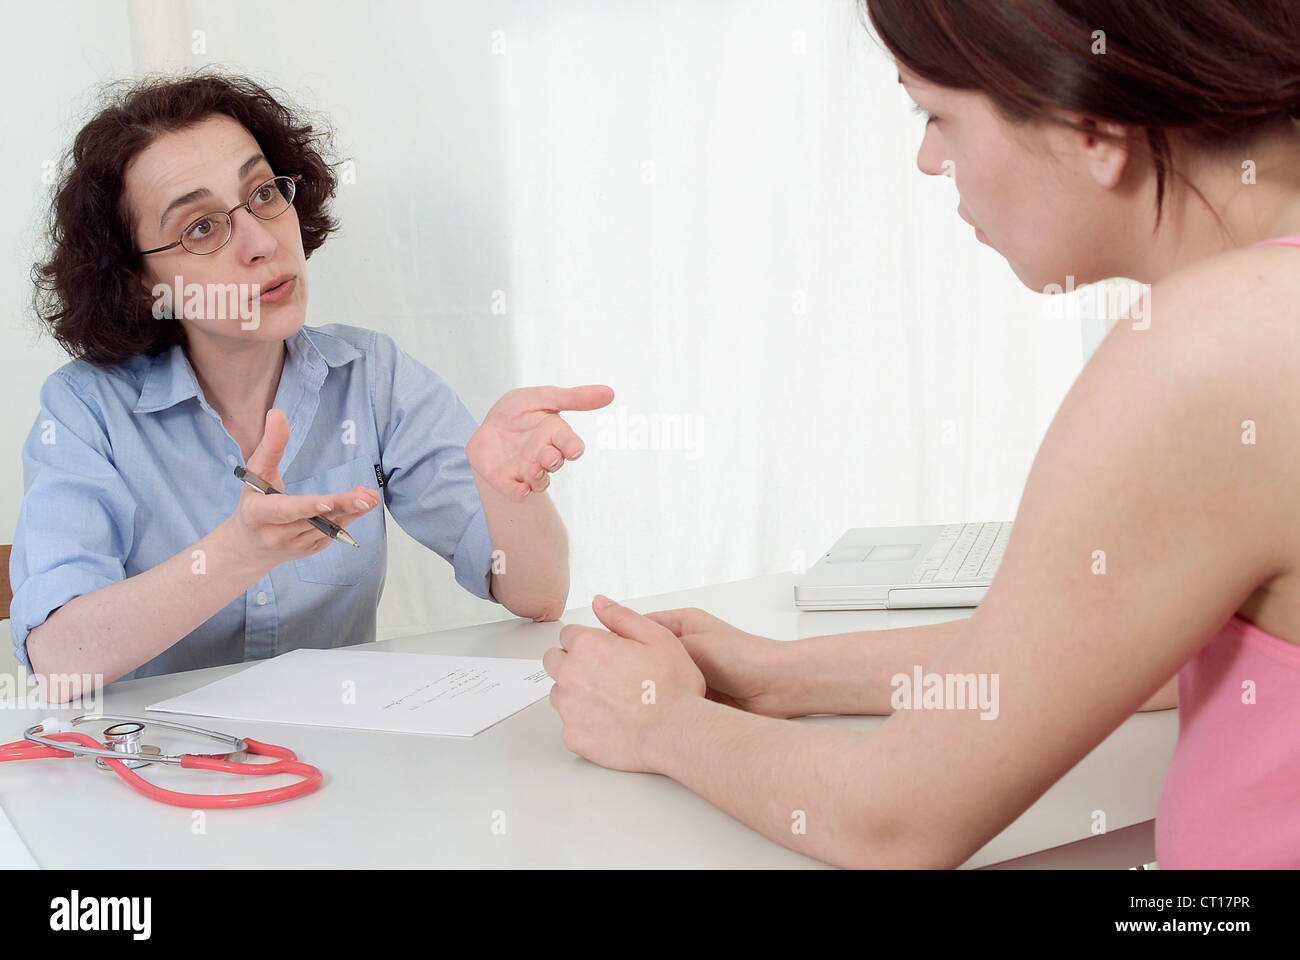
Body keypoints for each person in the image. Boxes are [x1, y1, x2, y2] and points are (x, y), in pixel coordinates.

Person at [544, 0, 1300, 868]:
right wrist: (780, 675)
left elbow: (891, 825)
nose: (928, 159)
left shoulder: (1209, 351)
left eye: (936, 114)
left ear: (1091, 123)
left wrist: (658, 723)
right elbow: (1143, 649)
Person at [11, 73, 612, 698]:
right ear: (137, 280)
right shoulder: (85, 408)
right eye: (200, 228)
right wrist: (239, 551)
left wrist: (509, 492)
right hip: (154, 771)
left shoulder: (371, 376)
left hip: (335, 770)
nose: (263, 242)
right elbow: (56, 660)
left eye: (264, 193)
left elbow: (537, 594)